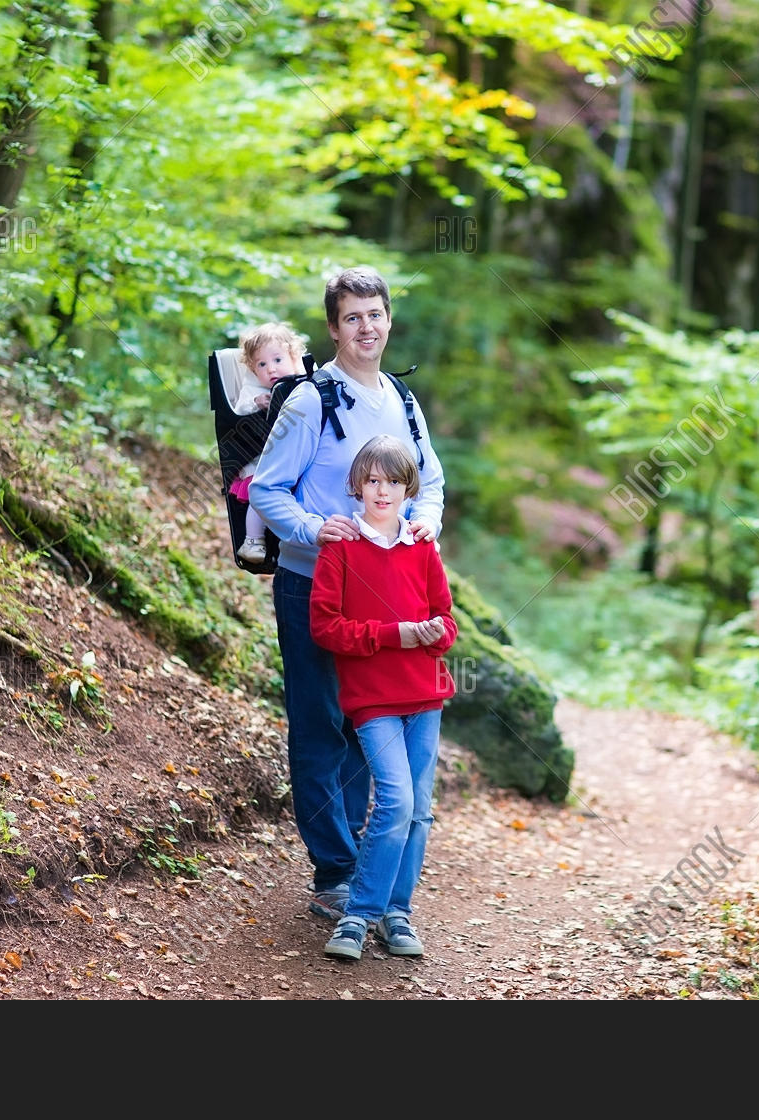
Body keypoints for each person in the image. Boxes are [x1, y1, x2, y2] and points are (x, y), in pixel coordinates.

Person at [247, 266, 446, 923]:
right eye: (353, 317)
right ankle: (334, 870)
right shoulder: (311, 401)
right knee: (318, 726)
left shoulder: (402, 402)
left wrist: (425, 523)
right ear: (333, 328)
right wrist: (313, 527)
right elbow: (269, 489)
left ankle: (367, 861)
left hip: (387, 595)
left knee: (373, 723)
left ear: (390, 320)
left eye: (376, 314)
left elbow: (432, 484)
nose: (367, 327)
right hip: (312, 586)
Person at [309, 435, 456, 959]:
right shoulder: (341, 548)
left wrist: (429, 633)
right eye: (372, 480)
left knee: (418, 811)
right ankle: (358, 916)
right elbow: (326, 628)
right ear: (357, 485)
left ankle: (397, 913)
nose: (382, 490)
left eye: (393, 481)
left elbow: (448, 624)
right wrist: (395, 634)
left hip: (425, 694)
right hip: (372, 699)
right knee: (395, 800)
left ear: (408, 487)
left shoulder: (422, 546)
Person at [230, 322, 307, 564]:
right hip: (261, 457)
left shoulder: (303, 379)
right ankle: (253, 540)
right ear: (253, 369)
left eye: (277, 360)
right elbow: (239, 408)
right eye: (261, 364)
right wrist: (257, 402)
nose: (270, 369)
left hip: (297, 456)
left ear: (294, 357)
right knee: (262, 493)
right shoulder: (254, 387)